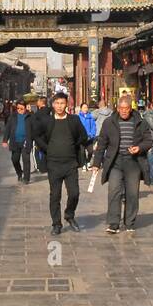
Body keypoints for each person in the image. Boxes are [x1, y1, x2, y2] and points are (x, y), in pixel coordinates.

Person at [92, 92, 153, 234]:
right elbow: (102, 144)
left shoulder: (140, 122)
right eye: (121, 108)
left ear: (130, 108)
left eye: (127, 108)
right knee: (114, 192)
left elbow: (148, 141)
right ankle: (113, 223)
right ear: (117, 108)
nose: (124, 111)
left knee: (132, 193)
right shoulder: (109, 122)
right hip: (115, 162)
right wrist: (96, 163)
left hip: (133, 163)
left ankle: (129, 222)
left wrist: (139, 148)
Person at [36, 92, 89, 234]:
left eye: (62, 103)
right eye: (57, 103)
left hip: (70, 163)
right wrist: (48, 149)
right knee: (55, 195)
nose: (59, 106)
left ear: (67, 104)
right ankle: (56, 224)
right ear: (53, 104)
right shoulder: (47, 121)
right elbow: (38, 137)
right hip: (53, 163)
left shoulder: (74, 120)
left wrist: (74, 145)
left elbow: (83, 136)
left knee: (74, 193)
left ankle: (69, 215)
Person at [2, 100, 33, 182]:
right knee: (14, 159)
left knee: (26, 160)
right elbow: (8, 128)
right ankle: (19, 173)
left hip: (26, 142)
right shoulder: (13, 116)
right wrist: (5, 140)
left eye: (21, 108)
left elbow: (35, 129)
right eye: (18, 108)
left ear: (26, 108)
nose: (19, 110)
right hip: (15, 141)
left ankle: (26, 179)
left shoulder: (30, 116)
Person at [28, 96, 50, 173]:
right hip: (49, 135)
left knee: (37, 151)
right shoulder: (50, 111)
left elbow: (34, 126)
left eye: (38, 101)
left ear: (41, 102)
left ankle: (39, 167)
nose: (37, 103)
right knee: (46, 151)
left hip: (39, 136)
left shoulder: (37, 114)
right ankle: (46, 167)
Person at [78, 102, 98, 169]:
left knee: (90, 151)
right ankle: (84, 164)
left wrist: (92, 134)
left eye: (86, 107)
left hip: (89, 137)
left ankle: (88, 162)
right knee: (82, 152)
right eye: (84, 107)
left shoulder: (90, 117)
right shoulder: (78, 117)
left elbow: (93, 127)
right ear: (81, 108)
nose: (85, 109)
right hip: (81, 138)